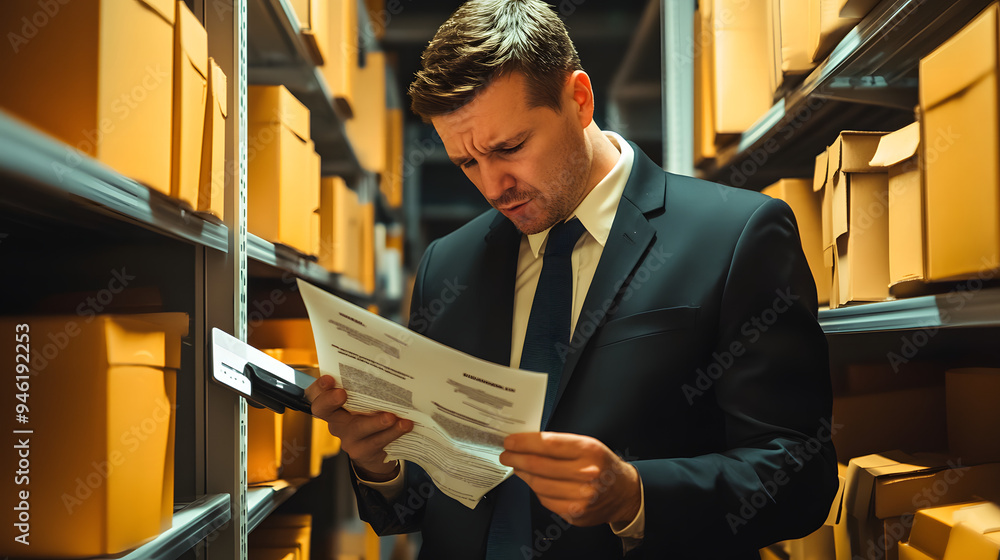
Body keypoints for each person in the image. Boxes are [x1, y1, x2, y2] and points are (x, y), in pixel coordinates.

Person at [306, 1, 839, 558]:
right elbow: (428, 500)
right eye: (467, 163)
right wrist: (378, 462)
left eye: (509, 148)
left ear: (578, 100)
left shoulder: (736, 235)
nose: (493, 187)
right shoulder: (449, 265)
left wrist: (634, 496)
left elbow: (800, 474)